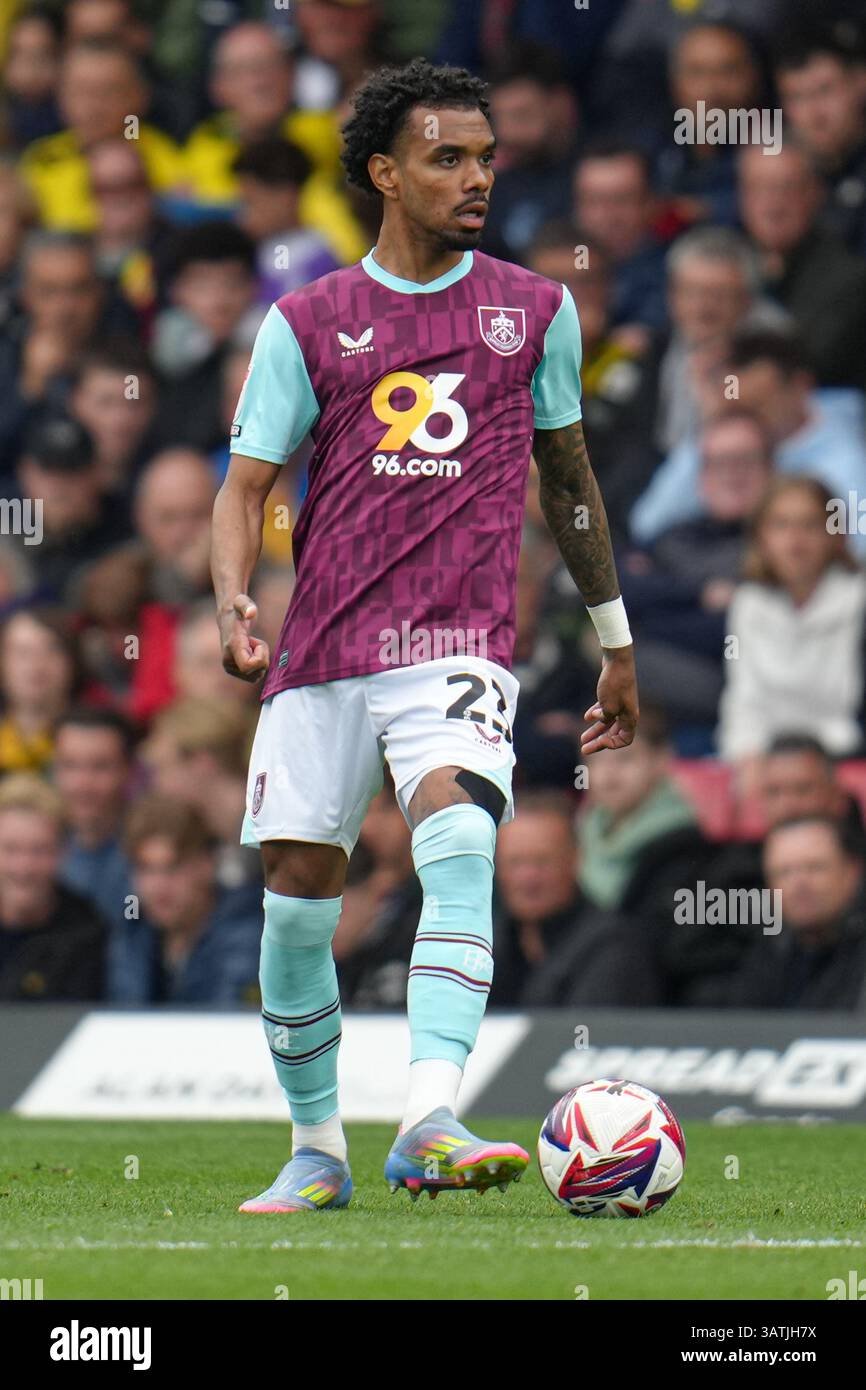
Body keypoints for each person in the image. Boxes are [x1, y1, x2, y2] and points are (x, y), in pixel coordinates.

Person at [211, 58, 638, 1213]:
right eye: (448, 156)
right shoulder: (307, 322)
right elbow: (244, 484)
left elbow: (570, 478)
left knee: (459, 835)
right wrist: (231, 597)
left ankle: (429, 1117)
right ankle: (316, 1150)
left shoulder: (534, 310)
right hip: (320, 653)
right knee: (299, 901)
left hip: (456, 640)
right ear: (384, 174)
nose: (476, 175)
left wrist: (614, 637)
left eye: (486, 156)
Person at [631, 328, 866, 550]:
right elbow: (648, 524)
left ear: (800, 387)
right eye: (739, 406)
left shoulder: (845, 463)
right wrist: (714, 424)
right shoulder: (736, 444)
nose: (746, 420)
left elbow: (860, 553)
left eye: (760, 404)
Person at [717, 476, 866, 768]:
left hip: (847, 755)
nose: (795, 542)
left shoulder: (859, 599)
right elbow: (742, 695)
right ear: (760, 537)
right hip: (764, 756)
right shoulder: (747, 603)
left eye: (809, 525)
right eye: (781, 525)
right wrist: (746, 754)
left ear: (836, 534)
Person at [490, 790, 660, 1008]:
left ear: (576, 859)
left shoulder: (616, 948)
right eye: (514, 862)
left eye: (541, 862)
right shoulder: (482, 945)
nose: (527, 877)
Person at [738, 140, 866, 389]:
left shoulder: (848, 280)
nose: (772, 205)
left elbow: (807, 368)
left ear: (816, 194)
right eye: (758, 188)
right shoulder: (729, 266)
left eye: (786, 188)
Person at [112, 794, 262, 1006]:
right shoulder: (134, 929)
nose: (158, 885)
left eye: (173, 867)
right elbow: (123, 1021)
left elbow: (225, 1027)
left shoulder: (245, 931)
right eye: (145, 869)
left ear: (207, 864)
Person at [726, 817, 866, 1010]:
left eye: (815, 867)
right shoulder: (764, 953)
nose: (799, 884)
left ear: (852, 873)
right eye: (784, 872)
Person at [0, 774, 106, 1002]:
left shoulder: (87, 933)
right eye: (10, 849)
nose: (24, 867)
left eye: (39, 850)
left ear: (64, 852)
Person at [774, 26, 866, 258]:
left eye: (825, 90)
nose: (814, 115)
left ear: (860, 83)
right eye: (797, 97)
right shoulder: (781, 178)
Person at [572, 141, 668, 337]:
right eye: (593, 201)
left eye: (622, 200)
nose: (607, 216)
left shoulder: (673, 274)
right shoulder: (555, 267)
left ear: (651, 204)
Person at [55, 706, 136, 932]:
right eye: (70, 765)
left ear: (128, 770)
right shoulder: (30, 848)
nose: (83, 785)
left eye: (100, 767)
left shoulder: (149, 852)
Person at [232, 138, 340, 302]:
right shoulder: (262, 249)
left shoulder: (324, 252)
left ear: (285, 197)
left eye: (249, 202)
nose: (241, 216)